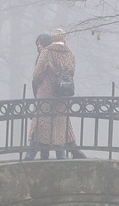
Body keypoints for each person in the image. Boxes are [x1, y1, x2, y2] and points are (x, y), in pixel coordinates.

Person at [25, 29, 85, 159]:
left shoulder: (47, 53)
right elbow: (71, 73)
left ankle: (32, 157)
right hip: (63, 96)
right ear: (64, 39)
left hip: (46, 96)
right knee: (59, 128)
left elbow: (37, 75)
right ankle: (61, 159)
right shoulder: (70, 54)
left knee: (40, 126)